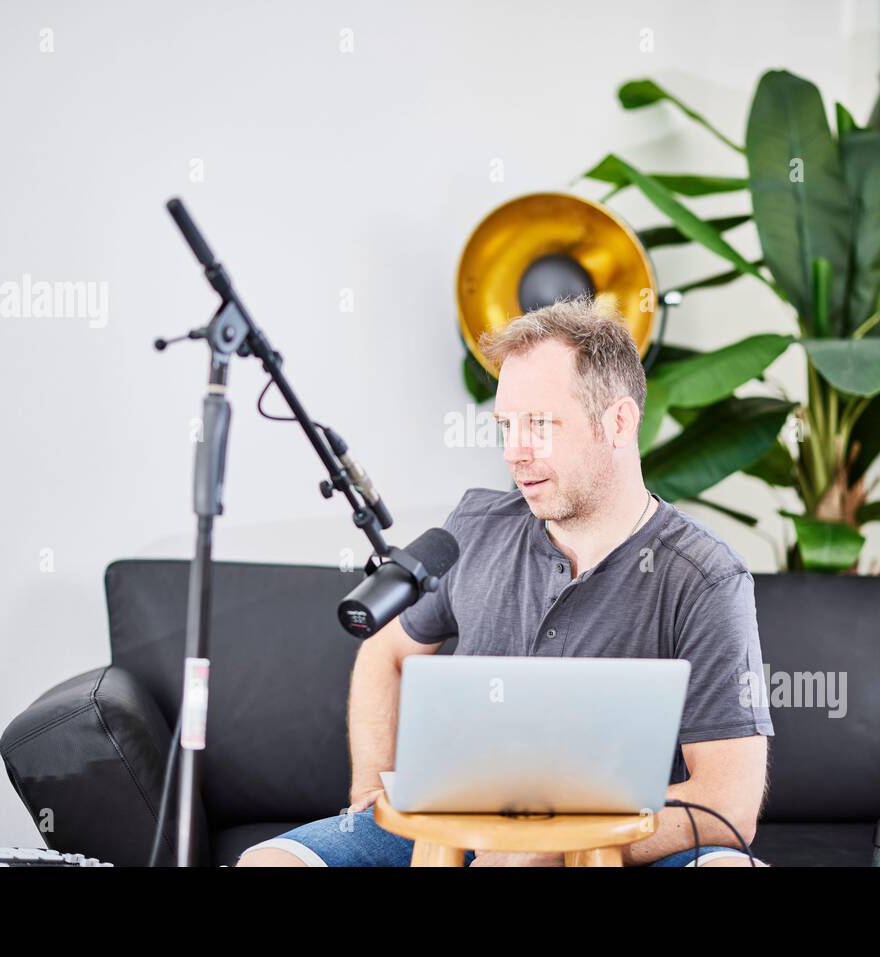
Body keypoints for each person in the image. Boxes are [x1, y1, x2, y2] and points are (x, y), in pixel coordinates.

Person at [237, 296, 773, 867]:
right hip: (450, 821)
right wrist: (370, 786)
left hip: (622, 840)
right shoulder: (474, 529)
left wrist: (542, 846)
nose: (514, 453)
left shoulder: (705, 577)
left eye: (540, 424)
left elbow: (727, 801)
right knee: (267, 863)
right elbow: (385, 650)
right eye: (506, 427)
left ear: (619, 421)